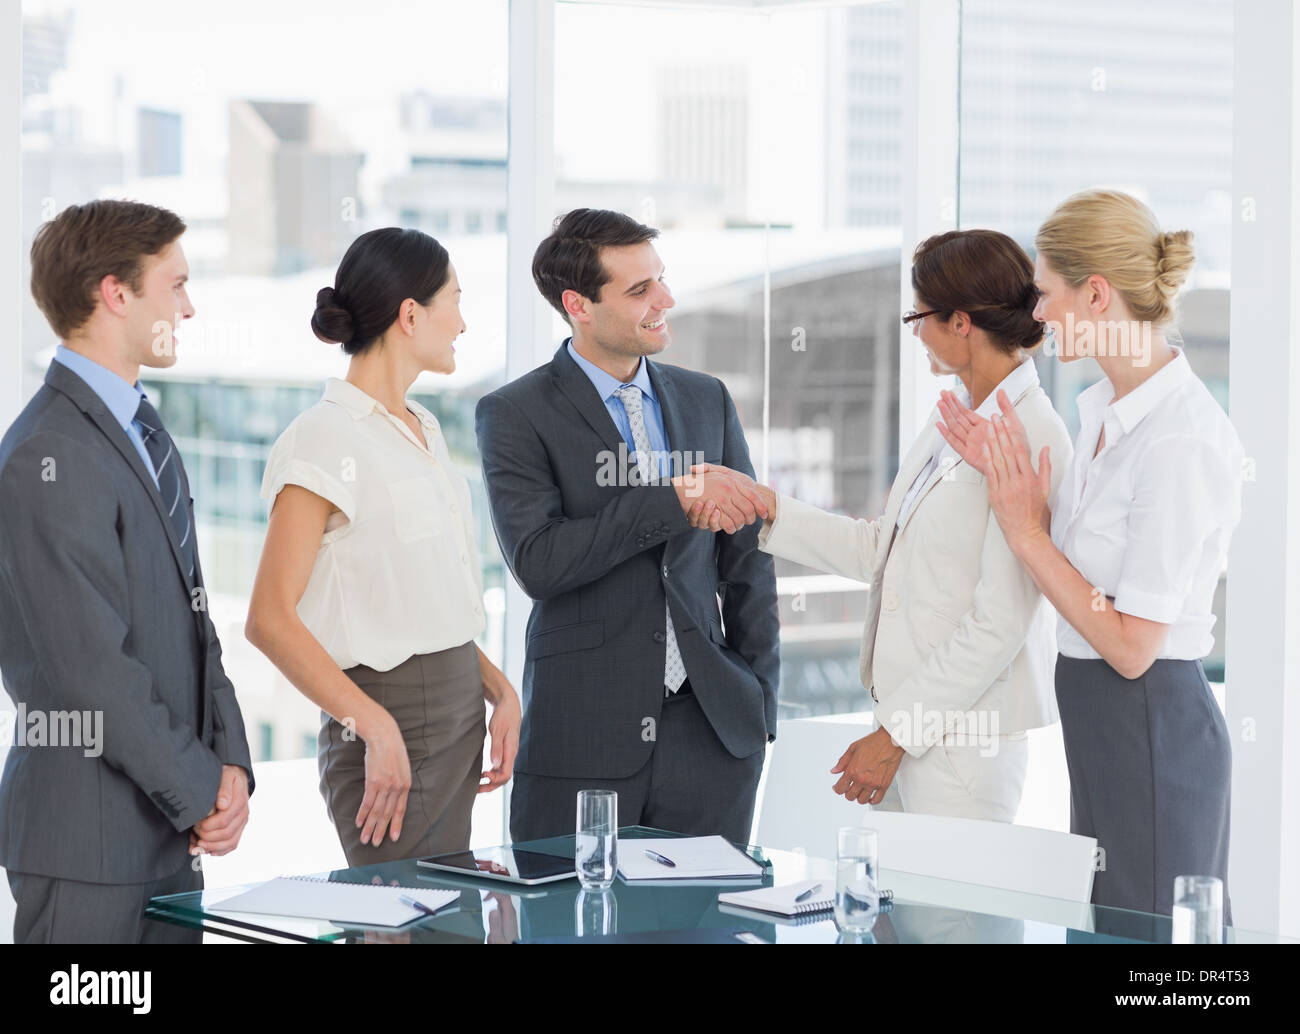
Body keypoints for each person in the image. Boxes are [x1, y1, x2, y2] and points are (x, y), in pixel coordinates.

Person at [689, 229, 1072, 823]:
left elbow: (999, 623)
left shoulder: (1032, 434)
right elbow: (882, 548)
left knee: (949, 918)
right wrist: (769, 505)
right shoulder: (955, 415)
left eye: (919, 315)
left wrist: (896, 735)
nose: (915, 330)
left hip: (961, 746)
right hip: (906, 722)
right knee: (892, 913)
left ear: (962, 322)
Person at [938, 189, 1242, 920]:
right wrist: (1024, 506)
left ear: (1096, 293)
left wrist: (1028, 532)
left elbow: (1134, 645)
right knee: (1110, 938)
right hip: (1106, 729)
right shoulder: (1105, 414)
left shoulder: (1177, 440)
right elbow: (1085, 584)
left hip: (1151, 729)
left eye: (1045, 293)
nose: (1036, 314)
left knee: (1157, 979)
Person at [475, 208, 779, 845]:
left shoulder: (706, 399)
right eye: (639, 291)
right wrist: (672, 497)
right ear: (577, 305)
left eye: (660, 280)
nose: (664, 301)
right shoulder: (514, 413)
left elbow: (748, 560)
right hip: (580, 742)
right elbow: (540, 562)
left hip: (714, 736)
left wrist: (757, 700)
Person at [0, 200, 255, 943]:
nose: (190, 306)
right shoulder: (47, 454)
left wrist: (232, 765)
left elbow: (195, 623)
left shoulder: (141, 430)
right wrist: (204, 786)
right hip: (88, 846)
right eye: (174, 286)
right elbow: (92, 669)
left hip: (167, 838)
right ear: (116, 293)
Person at [245, 228, 520, 866]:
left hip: (453, 715)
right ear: (410, 314)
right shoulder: (322, 437)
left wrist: (497, 688)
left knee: (444, 922)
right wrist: (374, 724)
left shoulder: (421, 427)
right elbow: (269, 619)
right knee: (406, 926)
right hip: (393, 722)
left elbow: (419, 601)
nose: (463, 321)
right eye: (455, 299)